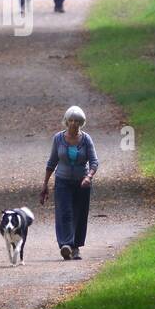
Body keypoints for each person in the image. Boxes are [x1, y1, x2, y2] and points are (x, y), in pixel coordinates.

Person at [39, 105, 98, 260]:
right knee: (64, 212)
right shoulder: (58, 138)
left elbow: (94, 162)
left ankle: (76, 247)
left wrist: (88, 177)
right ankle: (66, 244)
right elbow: (51, 162)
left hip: (82, 183)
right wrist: (45, 184)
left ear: (81, 123)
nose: (73, 124)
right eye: (71, 120)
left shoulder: (86, 139)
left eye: (77, 121)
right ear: (66, 121)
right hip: (62, 182)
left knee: (79, 214)